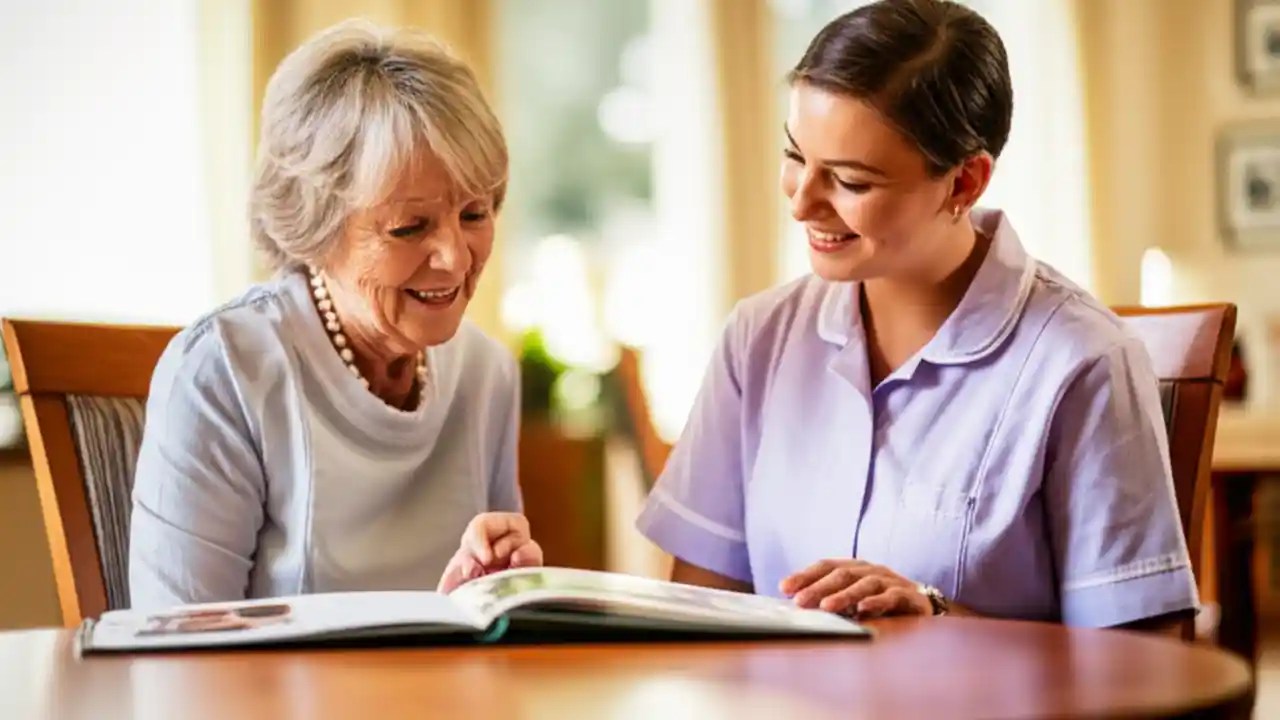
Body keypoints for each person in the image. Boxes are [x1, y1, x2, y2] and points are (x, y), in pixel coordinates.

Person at [631, 0, 1195, 631]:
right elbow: (699, 613)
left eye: (850, 181)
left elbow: (1144, 663)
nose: (802, 203)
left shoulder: (1082, 362)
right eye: (796, 157)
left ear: (964, 183)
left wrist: (939, 617)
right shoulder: (758, 338)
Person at [129, 20, 540, 610]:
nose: (454, 257)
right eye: (409, 227)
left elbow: (487, 625)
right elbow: (176, 659)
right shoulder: (226, 373)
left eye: (475, 214)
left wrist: (498, 593)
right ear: (314, 226)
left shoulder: (486, 372)